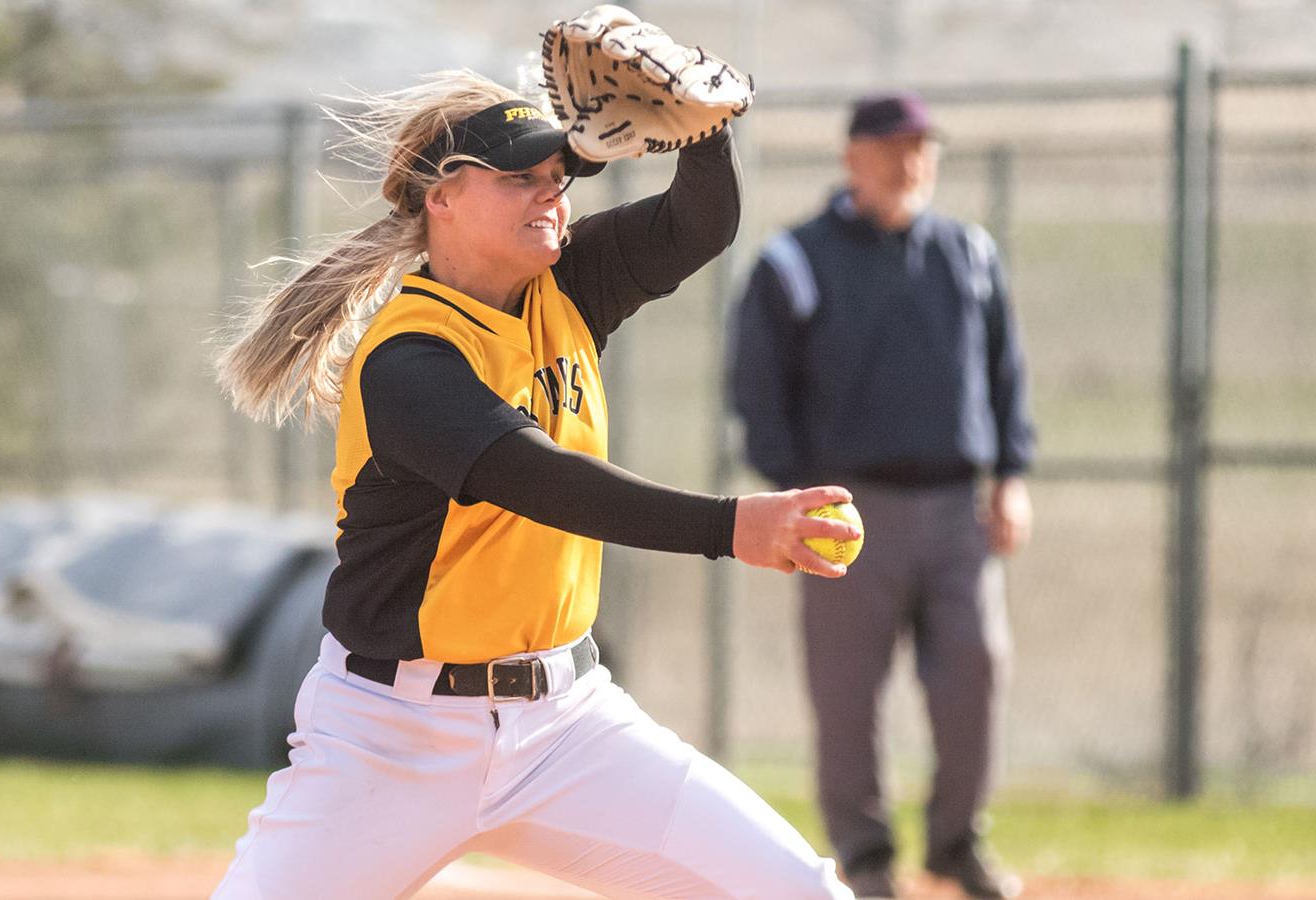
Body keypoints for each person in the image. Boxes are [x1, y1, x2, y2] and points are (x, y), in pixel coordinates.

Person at [207, 29, 865, 900]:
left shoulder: (570, 285)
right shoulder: (408, 360)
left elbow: (702, 222)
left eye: (556, 175)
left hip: (566, 725)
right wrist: (730, 527)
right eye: (520, 176)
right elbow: (541, 479)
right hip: (392, 737)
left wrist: (704, 127)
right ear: (442, 199)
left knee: (798, 890)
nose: (551, 192)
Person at [727, 91, 1036, 900]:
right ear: (852, 157)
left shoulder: (967, 253)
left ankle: (955, 842)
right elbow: (757, 387)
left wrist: (1011, 475)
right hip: (845, 507)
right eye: (895, 148)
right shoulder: (796, 259)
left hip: (956, 507)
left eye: (923, 148)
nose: (913, 163)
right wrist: (792, 497)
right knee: (847, 696)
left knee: (976, 671)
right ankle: (866, 860)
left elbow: (1006, 373)